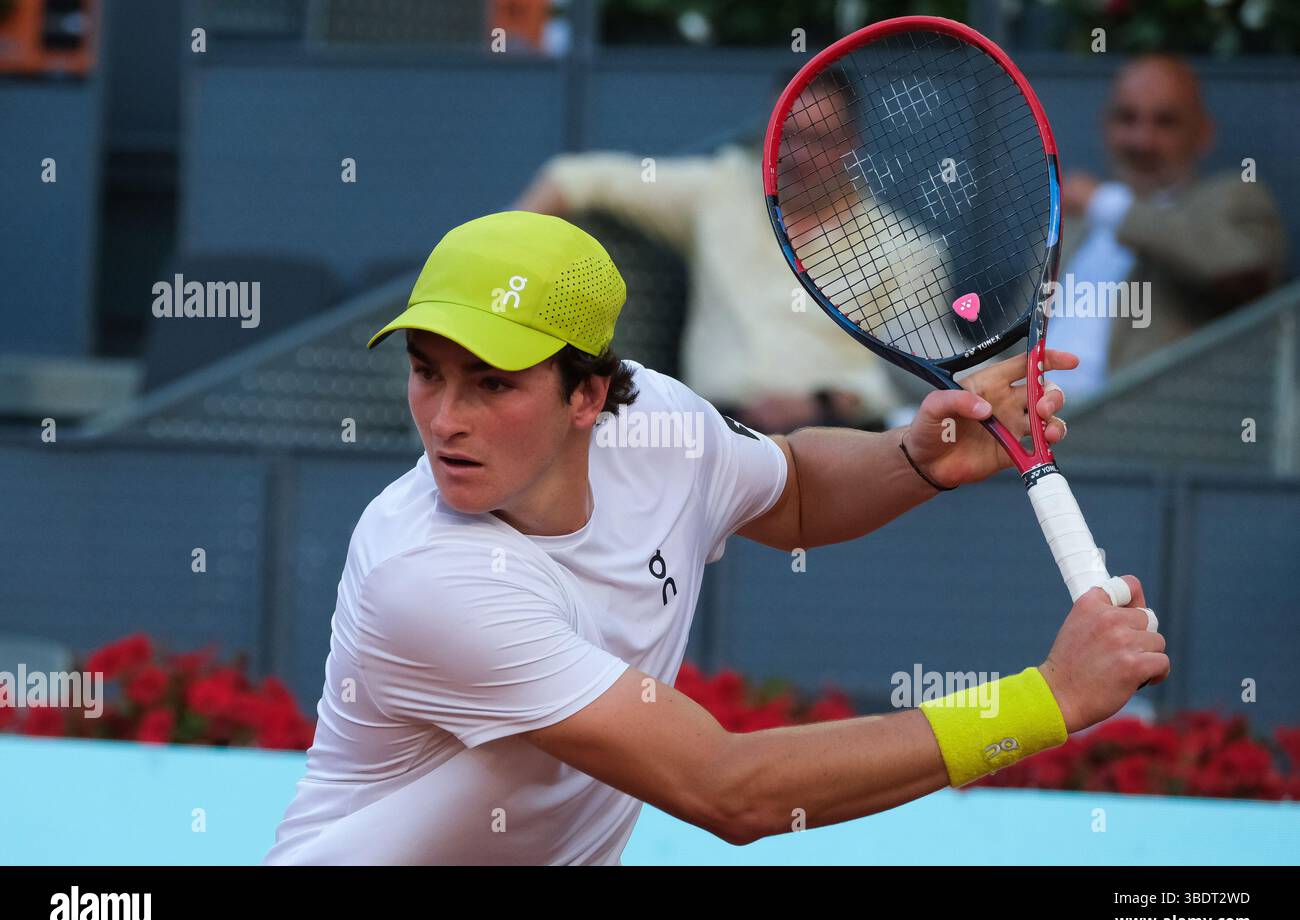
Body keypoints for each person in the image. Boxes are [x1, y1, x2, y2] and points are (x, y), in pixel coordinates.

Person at [263, 210, 1167, 865]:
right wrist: (1045, 700)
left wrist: (920, 454)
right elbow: (733, 792)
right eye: (427, 375)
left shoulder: (656, 421)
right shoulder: (430, 577)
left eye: (489, 384)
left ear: (588, 397)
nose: (444, 419)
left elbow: (797, 488)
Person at [512, 76, 926, 434]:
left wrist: (826, 403)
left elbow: (912, 380)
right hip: (713, 432)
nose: (798, 155)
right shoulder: (721, 191)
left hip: (842, 436)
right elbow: (575, 178)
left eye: (818, 139)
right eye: (787, 133)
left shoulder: (908, 250)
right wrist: (499, 270)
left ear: (850, 143)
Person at [1052, 54, 1286, 402]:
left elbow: (1242, 268)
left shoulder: (1230, 199)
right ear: (1105, 127)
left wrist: (1108, 205)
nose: (1142, 141)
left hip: (1134, 430)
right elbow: (1015, 333)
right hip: (1026, 423)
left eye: (1165, 122)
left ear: (1203, 133)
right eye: (1127, 118)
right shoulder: (1074, 222)